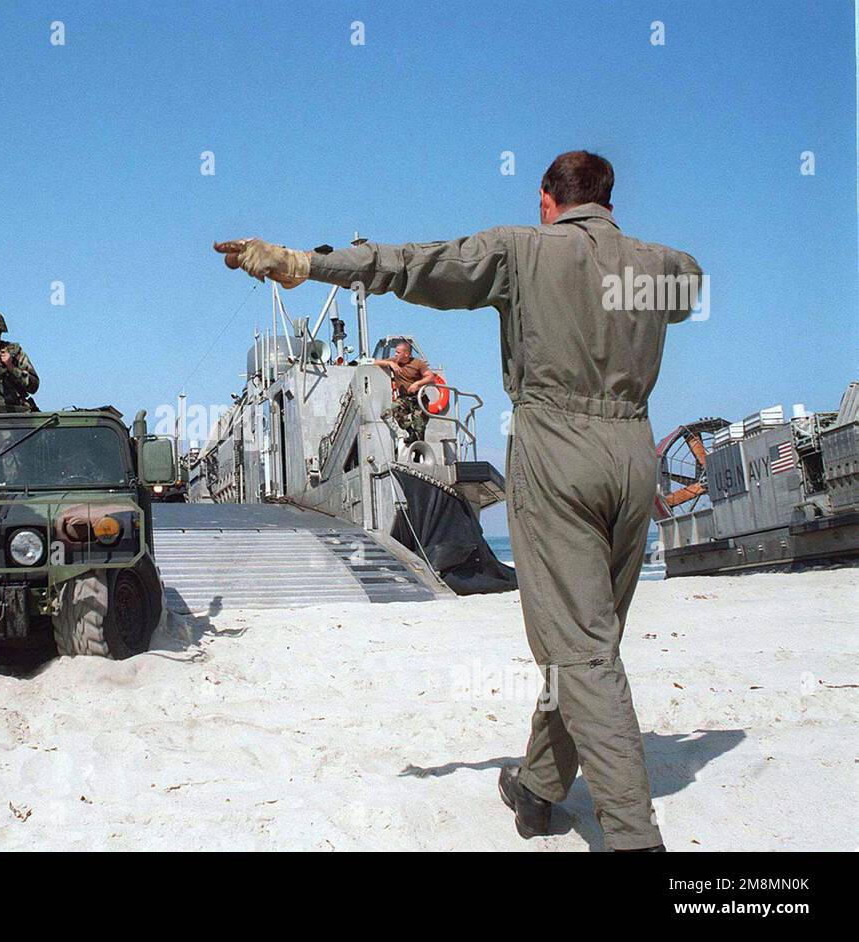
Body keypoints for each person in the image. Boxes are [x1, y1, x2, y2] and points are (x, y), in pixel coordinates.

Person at [214, 151, 702, 851]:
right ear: (609, 201)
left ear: (545, 200)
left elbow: (412, 265)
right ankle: (538, 786)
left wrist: (301, 263)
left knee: (582, 650)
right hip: (632, 455)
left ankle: (633, 837)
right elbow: (689, 286)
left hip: (557, 448)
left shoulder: (520, 251)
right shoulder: (657, 266)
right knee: (589, 639)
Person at [373, 340, 438, 442]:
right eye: (396, 352)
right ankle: (409, 431)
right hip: (404, 398)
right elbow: (375, 362)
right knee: (395, 408)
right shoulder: (394, 361)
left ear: (406, 354)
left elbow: (430, 377)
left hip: (419, 399)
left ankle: (418, 451)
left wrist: (417, 384)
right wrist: (390, 363)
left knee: (419, 428)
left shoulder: (418, 364)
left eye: (398, 353)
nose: (395, 354)